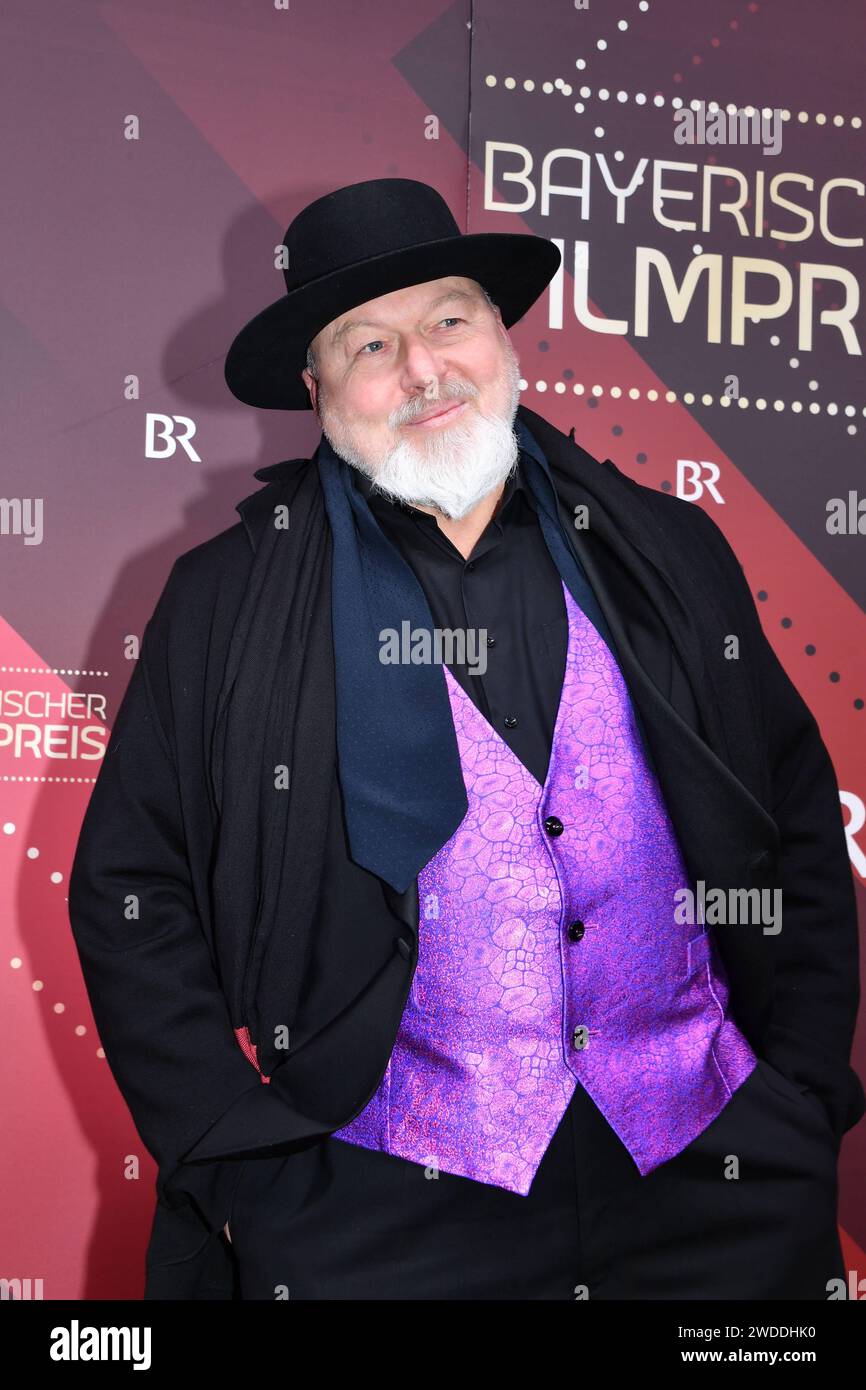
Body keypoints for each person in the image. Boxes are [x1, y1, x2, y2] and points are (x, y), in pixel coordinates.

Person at [69, 178, 864, 1301]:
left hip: (712, 1185)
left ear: (499, 331)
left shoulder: (667, 549)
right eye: (369, 345)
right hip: (387, 1212)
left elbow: (791, 817)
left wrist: (799, 1094)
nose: (422, 368)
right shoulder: (228, 600)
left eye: (448, 318)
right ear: (316, 388)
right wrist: (241, 1155)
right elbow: (127, 888)